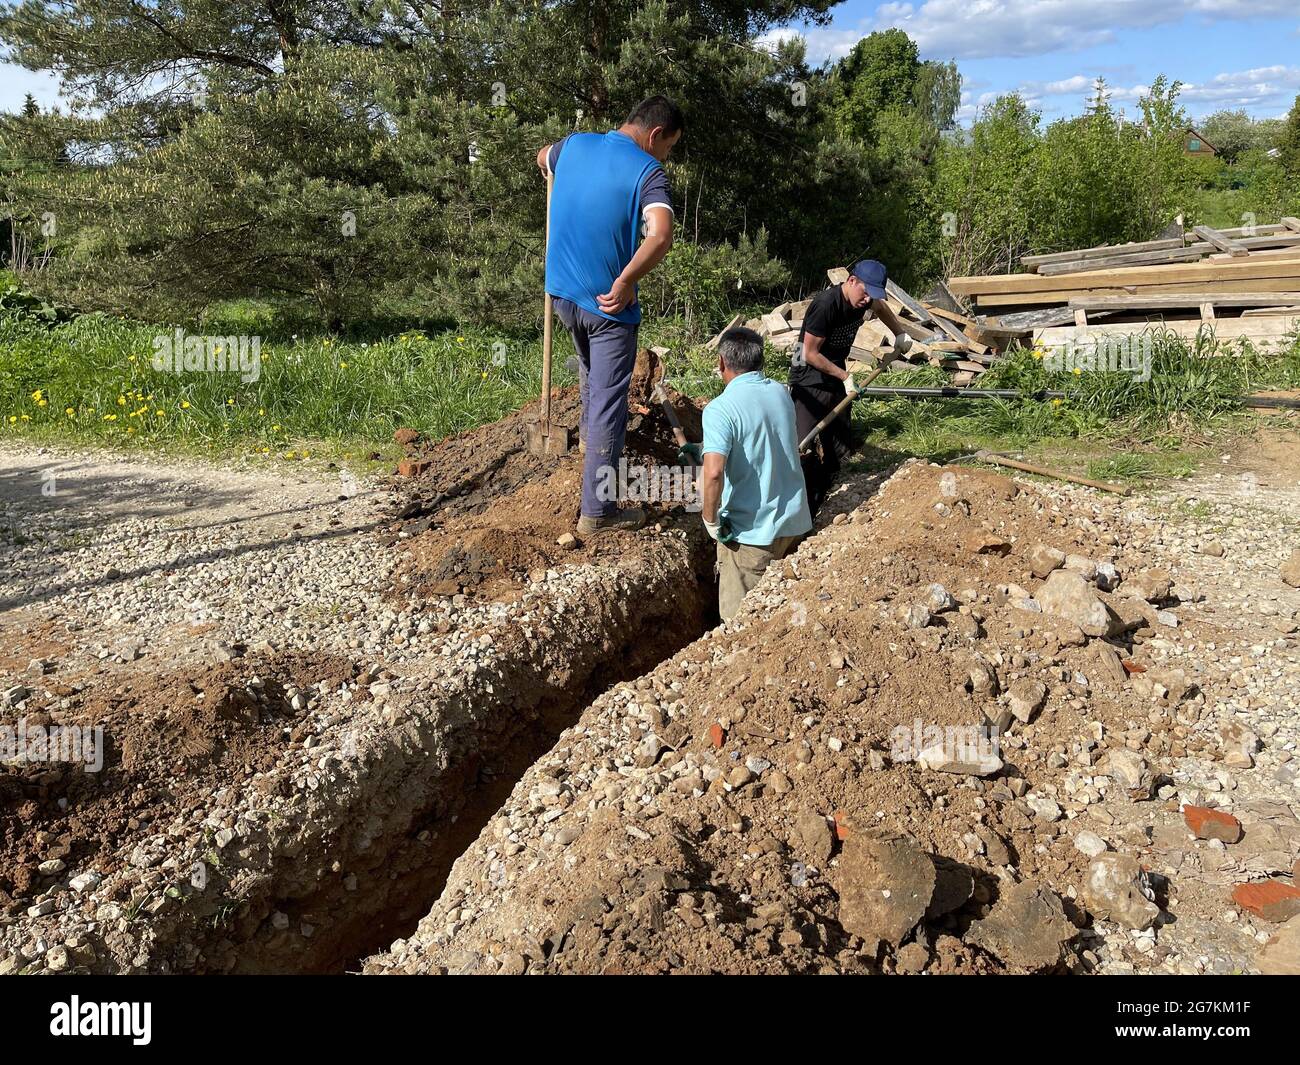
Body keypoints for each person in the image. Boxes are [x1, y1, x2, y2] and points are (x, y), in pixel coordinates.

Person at [535, 96, 682, 535]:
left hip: (563, 298)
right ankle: (598, 513)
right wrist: (625, 281)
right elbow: (660, 234)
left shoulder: (574, 146)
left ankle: (589, 446)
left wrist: (548, 166)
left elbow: (543, 155)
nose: (665, 156)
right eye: (669, 146)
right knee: (608, 404)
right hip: (607, 309)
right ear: (655, 135)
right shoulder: (647, 171)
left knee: (589, 376)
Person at [686, 326, 812, 622]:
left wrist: (710, 520)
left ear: (721, 363)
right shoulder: (780, 393)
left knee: (740, 628)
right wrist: (705, 447)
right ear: (760, 361)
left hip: (753, 537)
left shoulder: (719, 409)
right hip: (794, 524)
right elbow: (760, 434)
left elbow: (714, 473)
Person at [788, 259, 911, 515]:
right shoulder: (826, 305)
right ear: (851, 280)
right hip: (808, 373)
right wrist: (845, 376)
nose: (867, 300)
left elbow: (880, 306)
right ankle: (800, 498)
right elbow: (810, 353)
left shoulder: (865, 299)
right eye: (865, 292)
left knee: (839, 438)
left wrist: (899, 333)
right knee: (802, 442)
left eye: (872, 294)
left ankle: (831, 481)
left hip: (833, 366)